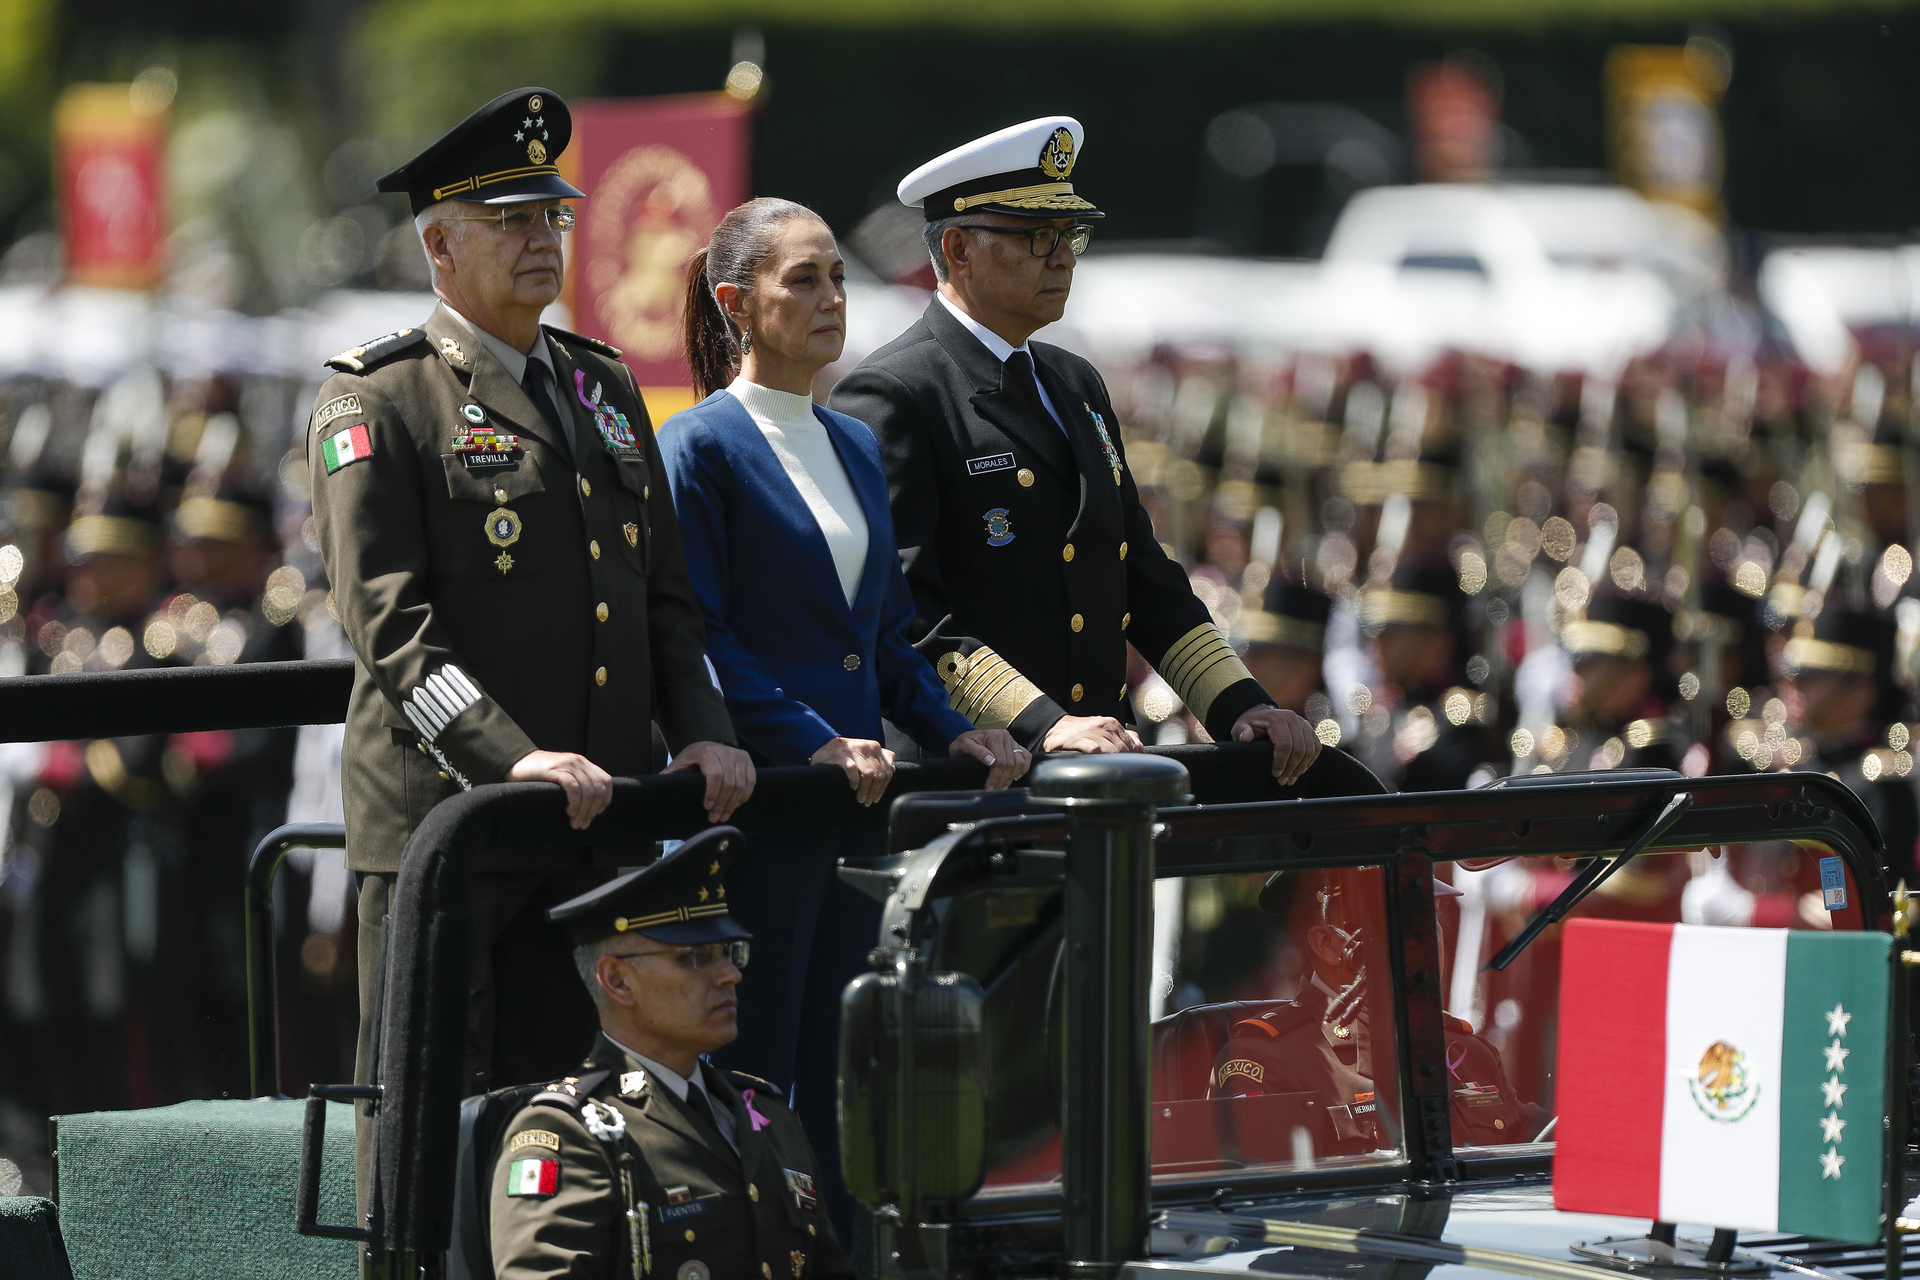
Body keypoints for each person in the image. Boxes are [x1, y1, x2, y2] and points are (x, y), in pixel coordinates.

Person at [307, 87, 754, 1206]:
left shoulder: (598, 384)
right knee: (426, 1133)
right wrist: (508, 754)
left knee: (570, 1130)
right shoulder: (380, 396)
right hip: (450, 824)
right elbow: (391, 622)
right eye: (510, 220)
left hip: (590, 825)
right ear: (440, 243)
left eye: (550, 217)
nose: (541, 239)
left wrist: (702, 734)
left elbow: (663, 599)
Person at [657, 197, 1028, 1238]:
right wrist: (808, 737)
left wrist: (955, 725)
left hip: (859, 808)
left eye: (836, 277)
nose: (831, 298)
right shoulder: (697, 447)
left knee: (841, 1075)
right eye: (802, 280)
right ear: (737, 304)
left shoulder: (853, 443)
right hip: (766, 809)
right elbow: (700, 634)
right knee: (754, 1070)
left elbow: (890, 630)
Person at [828, 117, 1319, 782]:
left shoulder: (1072, 380)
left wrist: (1240, 703)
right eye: (1036, 237)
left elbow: (1138, 571)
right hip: (972, 778)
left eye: (1070, 235)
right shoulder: (894, 391)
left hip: (1095, 772)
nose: (1063, 257)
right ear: (958, 248)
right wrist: (1043, 723)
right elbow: (905, 610)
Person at [489, 827, 853, 1280]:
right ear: (618, 981)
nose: (729, 975)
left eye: (729, 952)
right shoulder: (569, 1132)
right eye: (696, 958)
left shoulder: (769, 1114)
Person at [1206, 868, 1546, 1151]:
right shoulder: (1266, 1061)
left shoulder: (1469, 1052)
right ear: (1327, 943)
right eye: (1399, 920)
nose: (1428, 936)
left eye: (1432, 915)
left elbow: (1542, 1148)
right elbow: (1272, 1210)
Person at [1784, 603, 1920, 889]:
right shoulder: (1802, 762)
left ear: (1862, 691)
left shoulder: (1887, 787)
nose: (1797, 683)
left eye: (1816, 676)